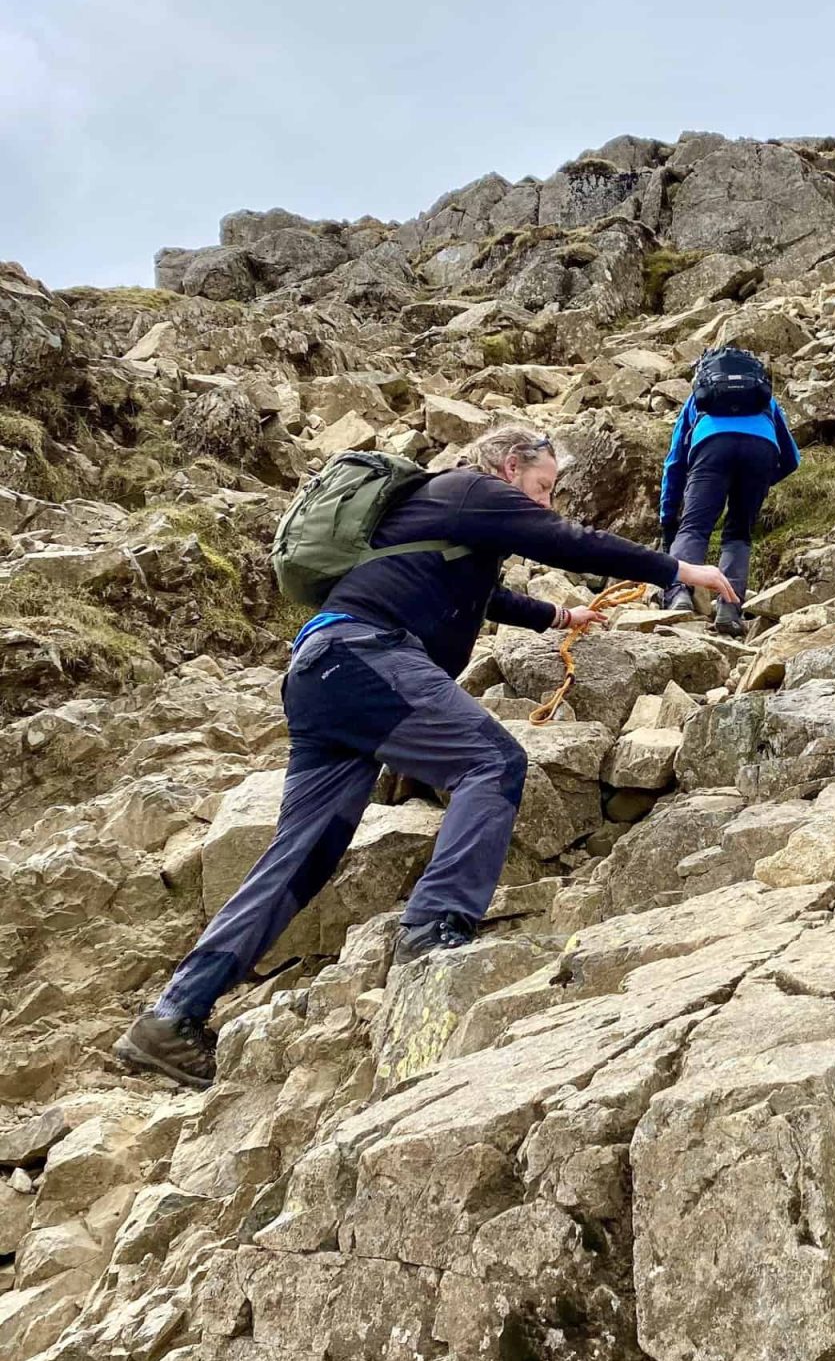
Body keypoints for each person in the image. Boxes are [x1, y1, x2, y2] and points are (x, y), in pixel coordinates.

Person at [116, 424, 736, 1090]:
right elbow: (567, 541)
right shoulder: (469, 488)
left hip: (323, 675)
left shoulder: (447, 517)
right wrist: (678, 568)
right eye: (541, 487)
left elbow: (476, 593)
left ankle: (172, 1015)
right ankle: (434, 933)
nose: (545, 504)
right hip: (366, 656)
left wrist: (559, 616)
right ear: (507, 466)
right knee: (492, 765)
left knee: (301, 856)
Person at [659, 350, 799, 637]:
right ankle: (729, 610)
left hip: (712, 447)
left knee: (694, 529)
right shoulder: (765, 400)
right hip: (762, 451)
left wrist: (667, 516)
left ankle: (679, 595)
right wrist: (761, 483)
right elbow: (792, 458)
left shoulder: (697, 401)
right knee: (738, 534)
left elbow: (674, 463)